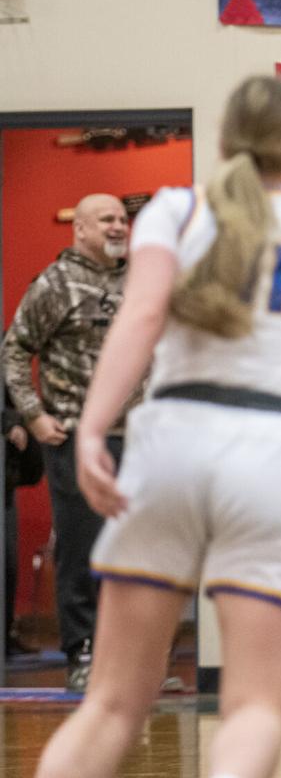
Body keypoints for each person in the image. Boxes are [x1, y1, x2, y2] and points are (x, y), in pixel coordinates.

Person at [33, 75, 281, 778]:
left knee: (109, 707)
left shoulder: (175, 212)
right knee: (253, 710)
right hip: (275, 455)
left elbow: (140, 314)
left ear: (223, 143)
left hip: (170, 440)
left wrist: (92, 426)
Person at [3, 193, 135, 691]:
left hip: (140, 438)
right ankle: (83, 653)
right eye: (107, 220)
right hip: (78, 438)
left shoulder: (142, 279)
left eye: (123, 219)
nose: (119, 227)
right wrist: (33, 416)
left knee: (138, 552)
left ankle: (132, 658)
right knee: (83, 551)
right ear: (79, 228)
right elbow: (14, 350)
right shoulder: (55, 284)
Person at [3, 380, 44, 656]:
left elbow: (14, 394)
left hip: (5, 475)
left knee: (8, 562)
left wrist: (14, 421)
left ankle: (5, 631)